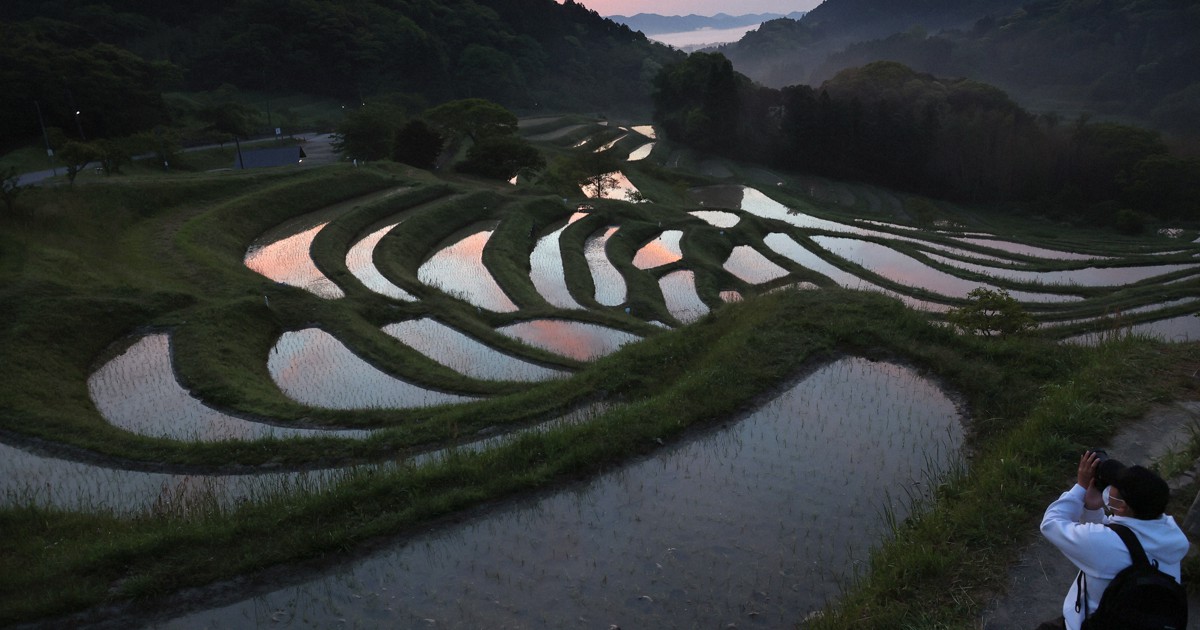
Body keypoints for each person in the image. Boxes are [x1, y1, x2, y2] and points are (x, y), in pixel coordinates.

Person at [1038, 451, 1190, 629]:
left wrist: (1080, 487)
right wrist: (1093, 510)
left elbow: (1051, 523)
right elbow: (1119, 540)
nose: (1109, 488)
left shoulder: (1106, 544)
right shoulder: (1170, 536)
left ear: (1123, 505)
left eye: (1113, 486)